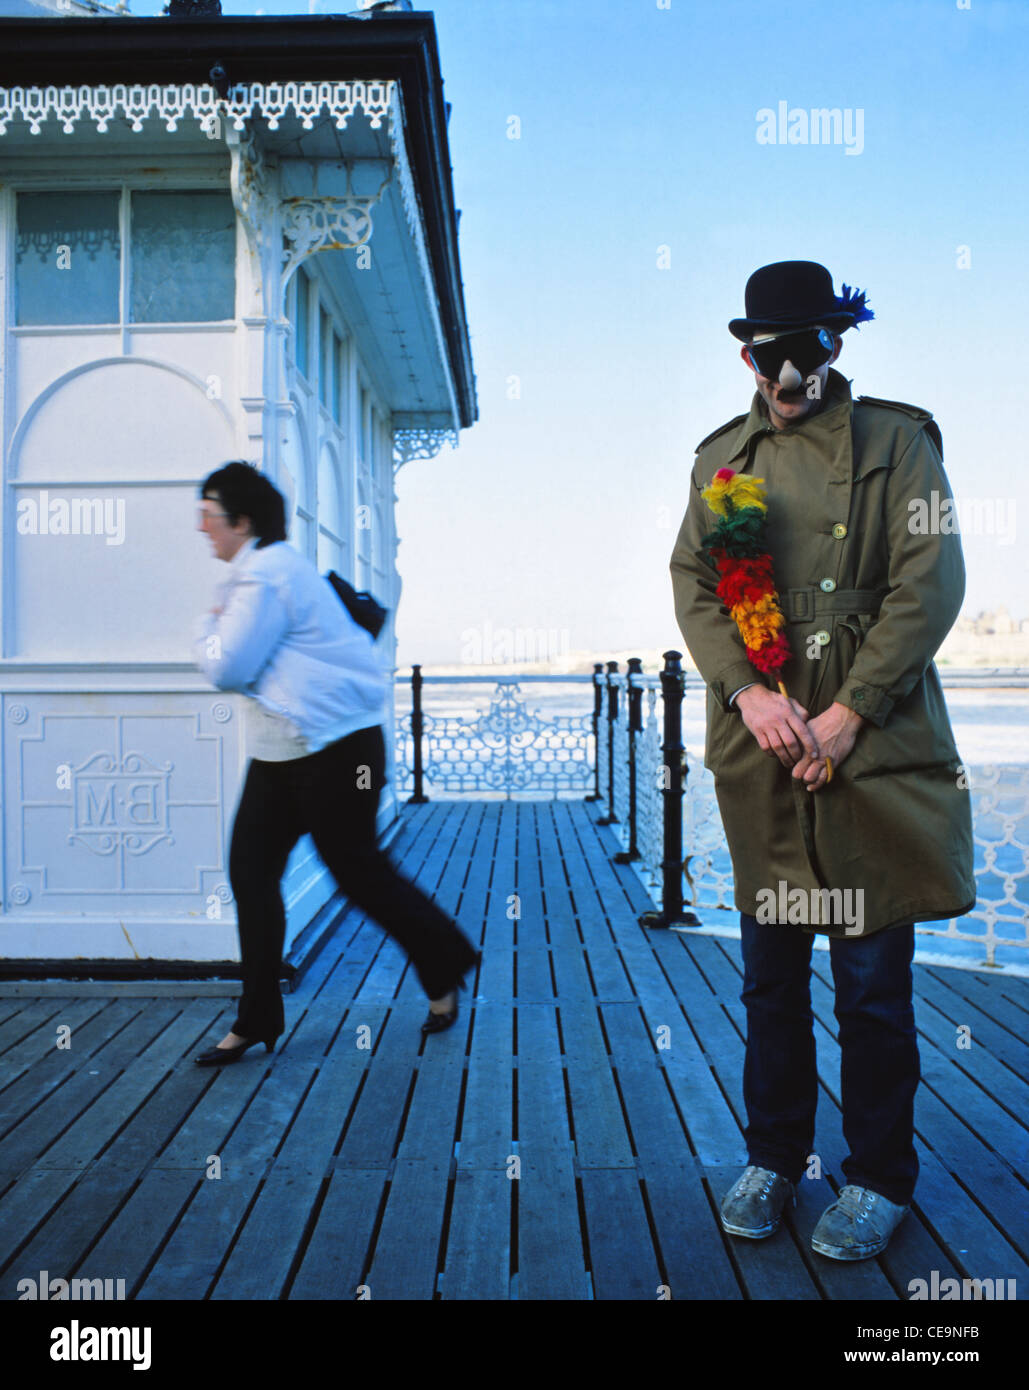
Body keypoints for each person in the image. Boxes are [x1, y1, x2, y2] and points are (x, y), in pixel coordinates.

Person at [670, 262, 975, 1260]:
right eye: (767, 356)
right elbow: (700, 583)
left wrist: (853, 709)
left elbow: (930, 583)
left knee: (873, 987)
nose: (784, 376)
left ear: (835, 346)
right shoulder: (724, 462)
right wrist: (747, 690)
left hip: (871, 737)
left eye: (802, 354)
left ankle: (881, 1176)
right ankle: (775, 1159)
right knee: (771, 980)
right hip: (763, 740)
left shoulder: (898, 442)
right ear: (745, 352)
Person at [192, 461, 479, 1065]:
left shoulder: (265, 575)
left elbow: (227, 667)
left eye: (209, 513)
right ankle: (258, 1016)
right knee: (252, 872)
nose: (201, 526)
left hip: (335, 750)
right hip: (286, 752)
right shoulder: (264, 571)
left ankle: (445, 959)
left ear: (241, 522)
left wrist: (206, 625)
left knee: (357, 872)